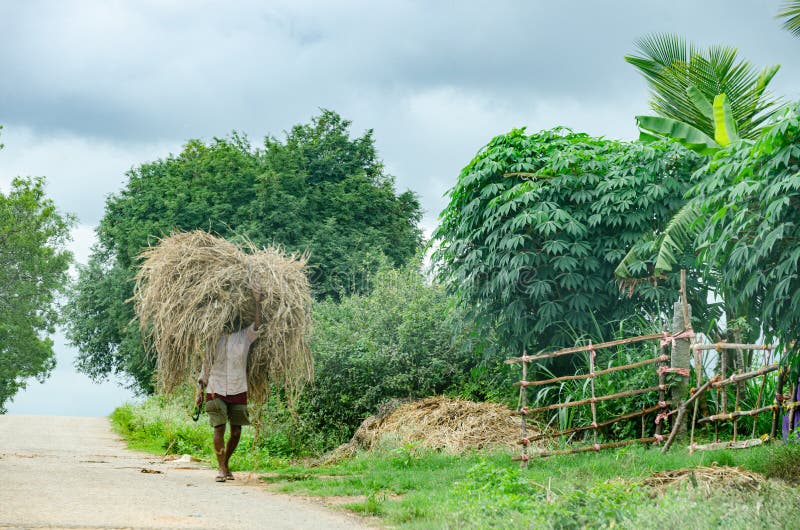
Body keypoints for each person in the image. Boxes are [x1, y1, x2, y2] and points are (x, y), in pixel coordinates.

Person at [197, 286, 262, 483]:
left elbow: (258, 325)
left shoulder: (244, 336)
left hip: (238, 387)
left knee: (236, 431)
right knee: (219, 428)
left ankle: (226, 462)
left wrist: (258, 301)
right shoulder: (212, 339)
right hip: (215, 388)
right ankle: (221, 468)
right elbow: (205, 366)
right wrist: (200, 390)